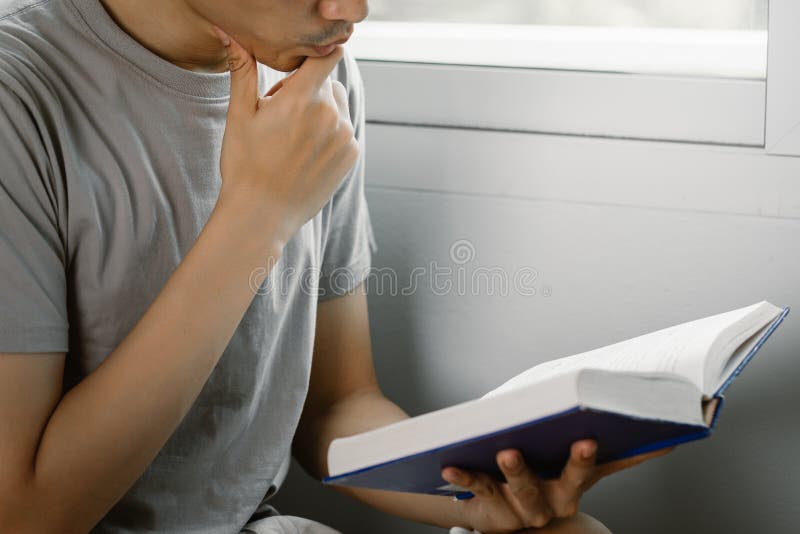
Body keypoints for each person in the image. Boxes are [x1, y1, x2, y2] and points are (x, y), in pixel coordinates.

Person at [0, 1, 671, 532]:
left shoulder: (317, 79)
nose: (352, 10)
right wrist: (259, 213)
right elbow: (26, 515)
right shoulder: (20, 95)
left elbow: (337, 405)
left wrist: (477, 493)